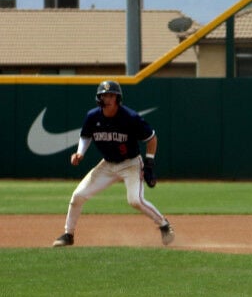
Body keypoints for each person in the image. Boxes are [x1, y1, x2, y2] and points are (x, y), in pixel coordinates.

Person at [52, 80, 174, 247]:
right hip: (107, 165)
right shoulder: (93, 116)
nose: (107, 98)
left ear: (117, 98)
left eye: (111, 95)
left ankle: (164, 224)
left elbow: (151, 138)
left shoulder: (130, 118)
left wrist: (150, 163)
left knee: (135, 201)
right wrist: (80, 152)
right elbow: (86, 136)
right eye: (104, 95)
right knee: (78, 196)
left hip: (131, 164)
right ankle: (68, 234)